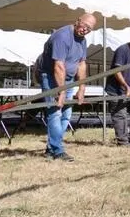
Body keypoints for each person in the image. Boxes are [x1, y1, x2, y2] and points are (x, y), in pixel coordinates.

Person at [37, 13, 96, 161]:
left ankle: (51, 148)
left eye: (89, 29)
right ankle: (58, 150)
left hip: (69, 79)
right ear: (77, 21)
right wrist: (60, 91)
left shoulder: (82, 40)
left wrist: (82, 88)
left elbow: (81, 64)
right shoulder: (62, 36)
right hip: (51, 77)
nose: (85, 30)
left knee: (66, 115)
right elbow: (58, 66)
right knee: (55, 112)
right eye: (85, 26)